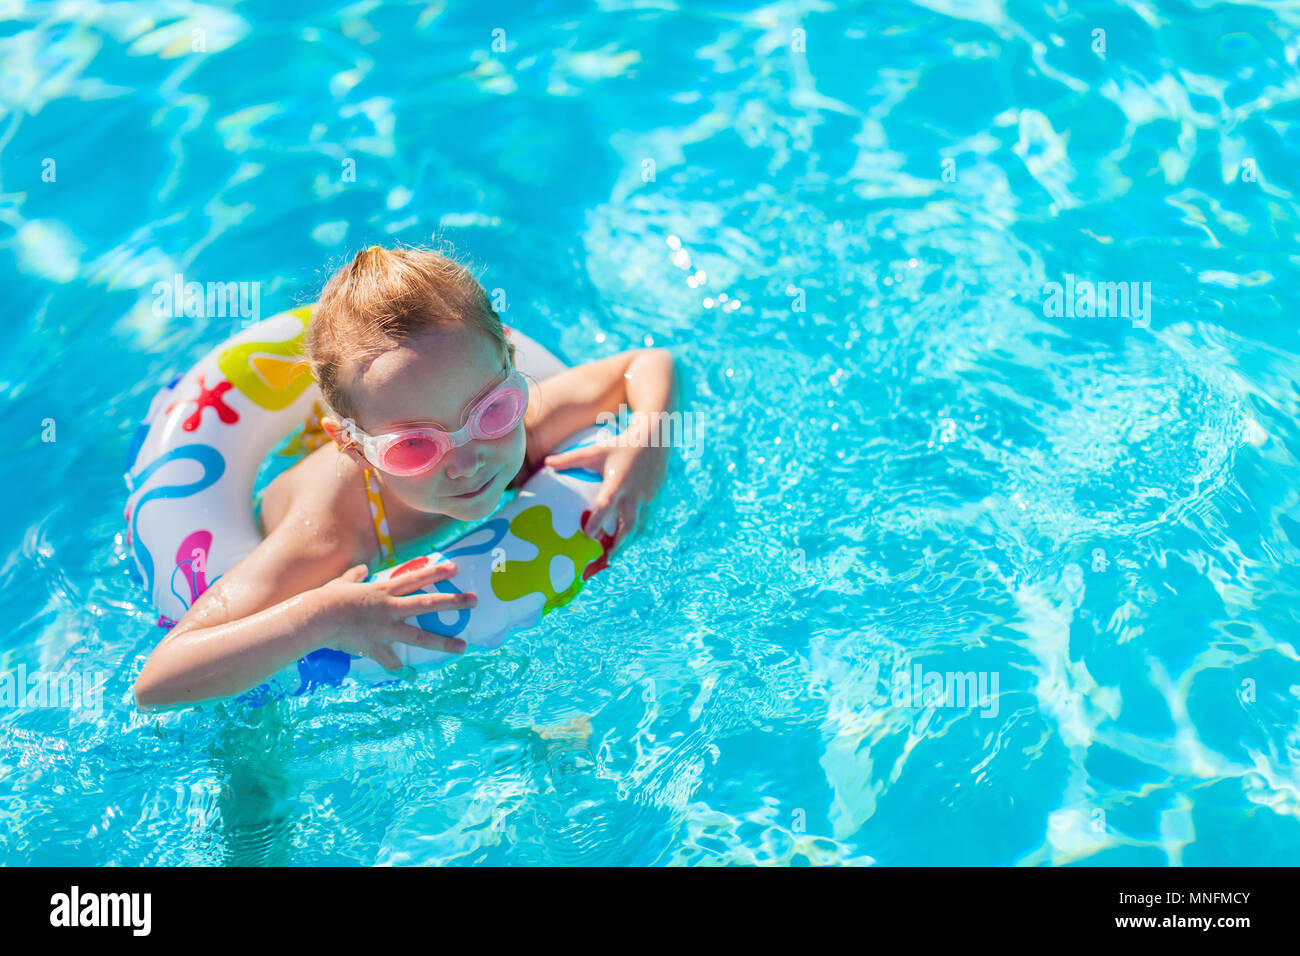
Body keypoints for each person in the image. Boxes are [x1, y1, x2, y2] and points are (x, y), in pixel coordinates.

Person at [134, 244, 675, 708]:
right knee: (254, 735)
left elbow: (649, 364)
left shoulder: (524, 422)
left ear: (510, 367)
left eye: (491, 411)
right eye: (415, 445)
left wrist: (649, 438)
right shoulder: (328, 537)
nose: (468, 461)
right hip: (312, 523)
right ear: (355, 448)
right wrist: (323, 614)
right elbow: (159, 678)